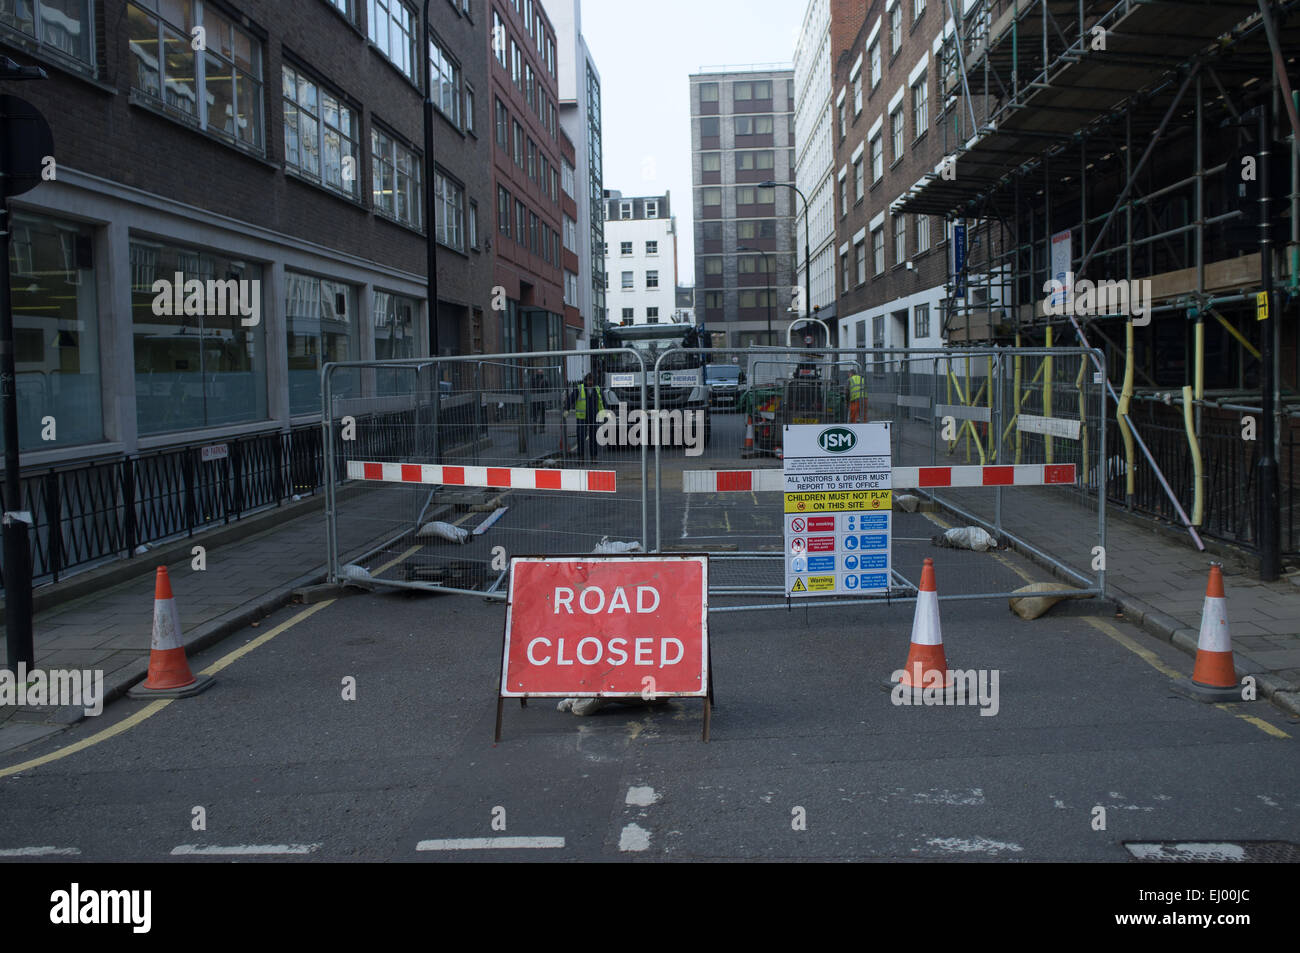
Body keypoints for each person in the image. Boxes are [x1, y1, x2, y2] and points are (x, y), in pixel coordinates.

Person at [568, 372, 604, 459]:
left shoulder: (597, 389)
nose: (590, 383)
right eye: (589, 381)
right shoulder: (579, 388)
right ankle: (581, 457)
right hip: (582, 417)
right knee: (580, 437)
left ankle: (593, 457)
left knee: (593, 438)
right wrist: (566, 409)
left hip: (593, 416)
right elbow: (571, 399)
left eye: (591, 381)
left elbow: (602, 401)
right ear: (585, 381)